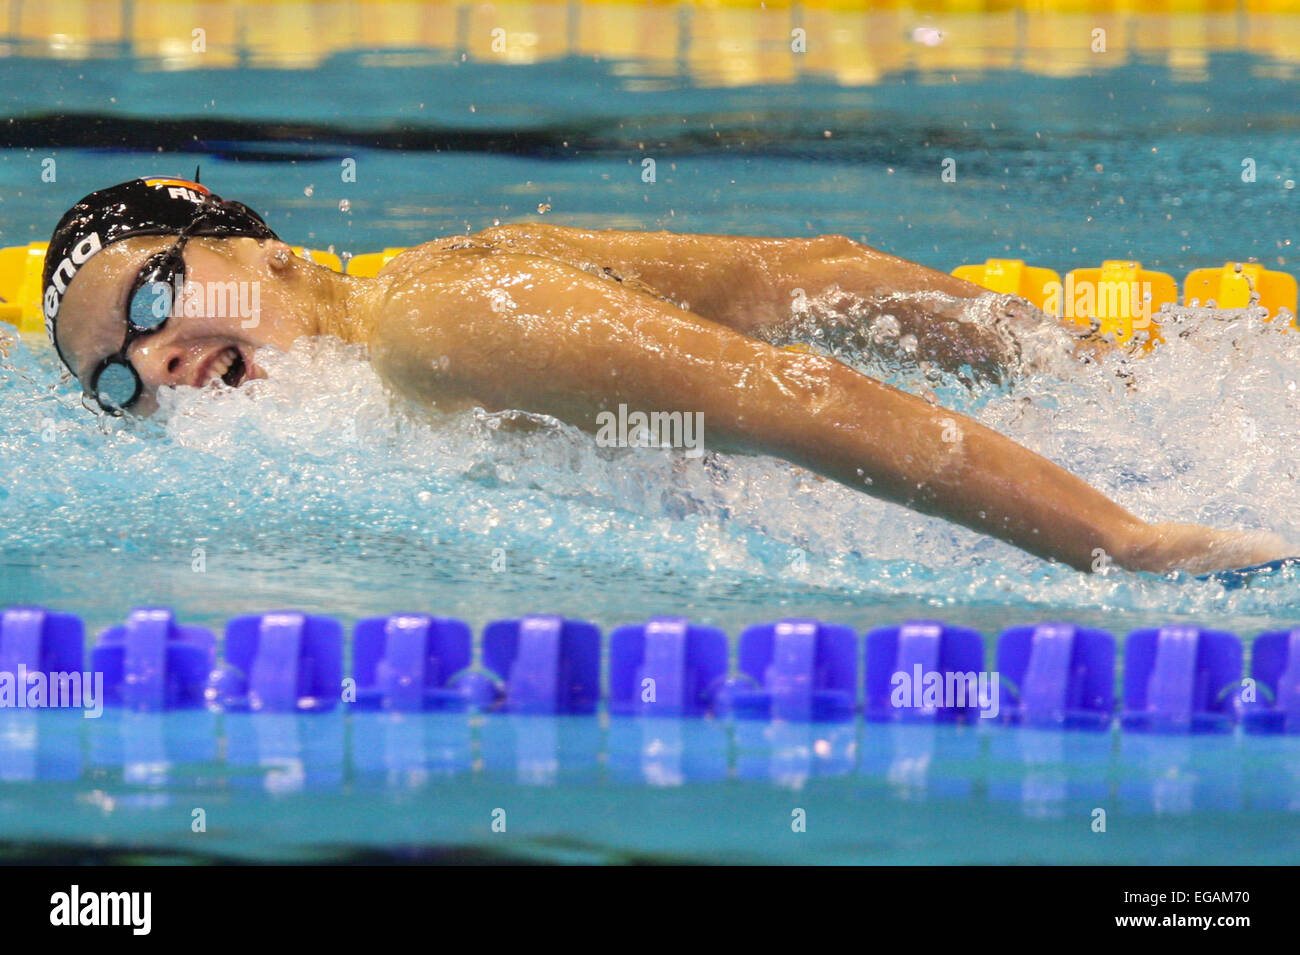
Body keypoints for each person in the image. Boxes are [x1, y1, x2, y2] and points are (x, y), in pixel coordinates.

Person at [41, 177, 1293, 576]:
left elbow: (794, 397)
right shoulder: (416, 304)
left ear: (260, 248)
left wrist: (1121, 541)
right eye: (118, 379)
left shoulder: (447, 327)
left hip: (1091, 501)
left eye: (155, 293)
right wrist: (1096, 367)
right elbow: (796, 273)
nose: (156, 356)